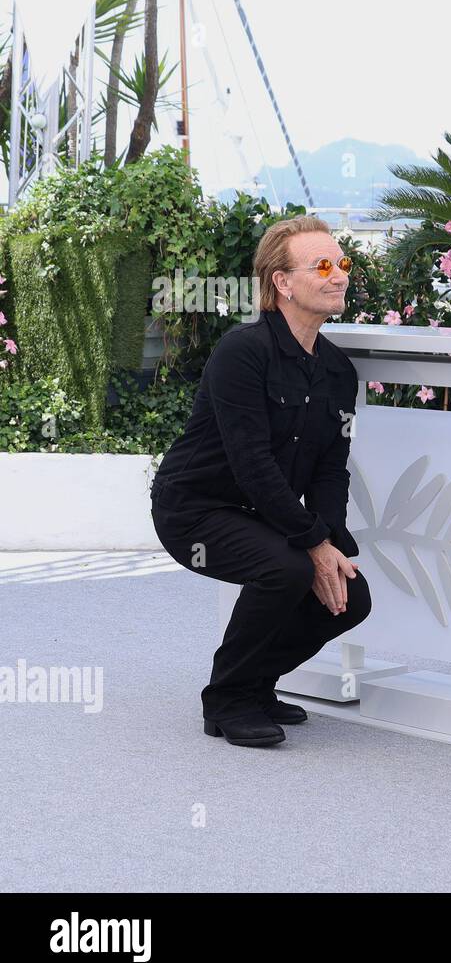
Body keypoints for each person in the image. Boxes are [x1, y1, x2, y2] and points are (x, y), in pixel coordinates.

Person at [150, 216, 372, 747]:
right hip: (195, 510)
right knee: (286, 568)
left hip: (260, 512)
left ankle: (255, 685)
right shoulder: (242, 353)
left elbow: (328, 468)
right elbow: (252, 465)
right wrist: (312, 543)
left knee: (350, 597)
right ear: (282, 282)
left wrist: (332, 544)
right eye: (322, 265)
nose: (339, 275)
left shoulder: (338, 371)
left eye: (342, 263)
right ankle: (226, 699)